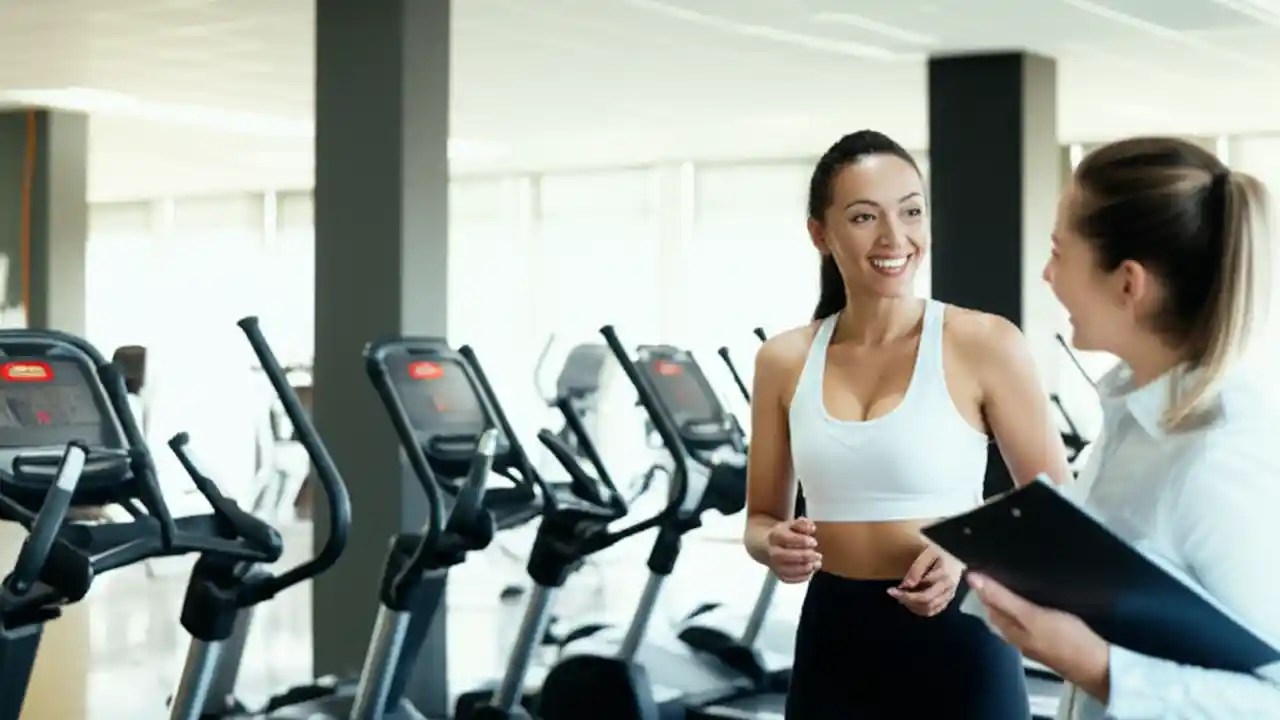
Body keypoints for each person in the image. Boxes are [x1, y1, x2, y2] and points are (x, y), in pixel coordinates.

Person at [743, 129, 1073, 719]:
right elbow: (760, 519)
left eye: (912, 212)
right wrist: (773, 544)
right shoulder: (783, 360)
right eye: (865, 216)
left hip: (962, 635)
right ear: (821, 234)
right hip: (833, 638)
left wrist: (967, 554)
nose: (895, 238)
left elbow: (1056, 511)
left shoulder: (984, 342)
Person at [967, 137, 1280, 718]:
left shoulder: (1220, 456)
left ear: (1128, 283)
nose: (1046, 273)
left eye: (1060, 253)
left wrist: (1096, 666)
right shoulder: (1131, 420)